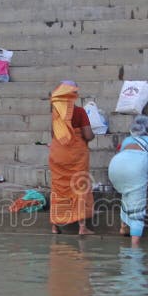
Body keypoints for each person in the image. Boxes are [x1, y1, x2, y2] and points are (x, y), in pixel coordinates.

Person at [108, 115, 148, 248]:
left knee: (126, 193)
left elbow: (124, 159)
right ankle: (135, 247)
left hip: (114, 168)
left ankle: (124, 227)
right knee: (137, 210)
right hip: (135, 169)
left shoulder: (127, 140)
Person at [49, 81, 94, 235]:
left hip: (58, 154)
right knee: (79, 187)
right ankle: (82, 227)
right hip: (76, 156)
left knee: (58, 187)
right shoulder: (80, 112)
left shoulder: (56, 112)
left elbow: (53, 135)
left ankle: (55, 225)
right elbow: (88, 135)